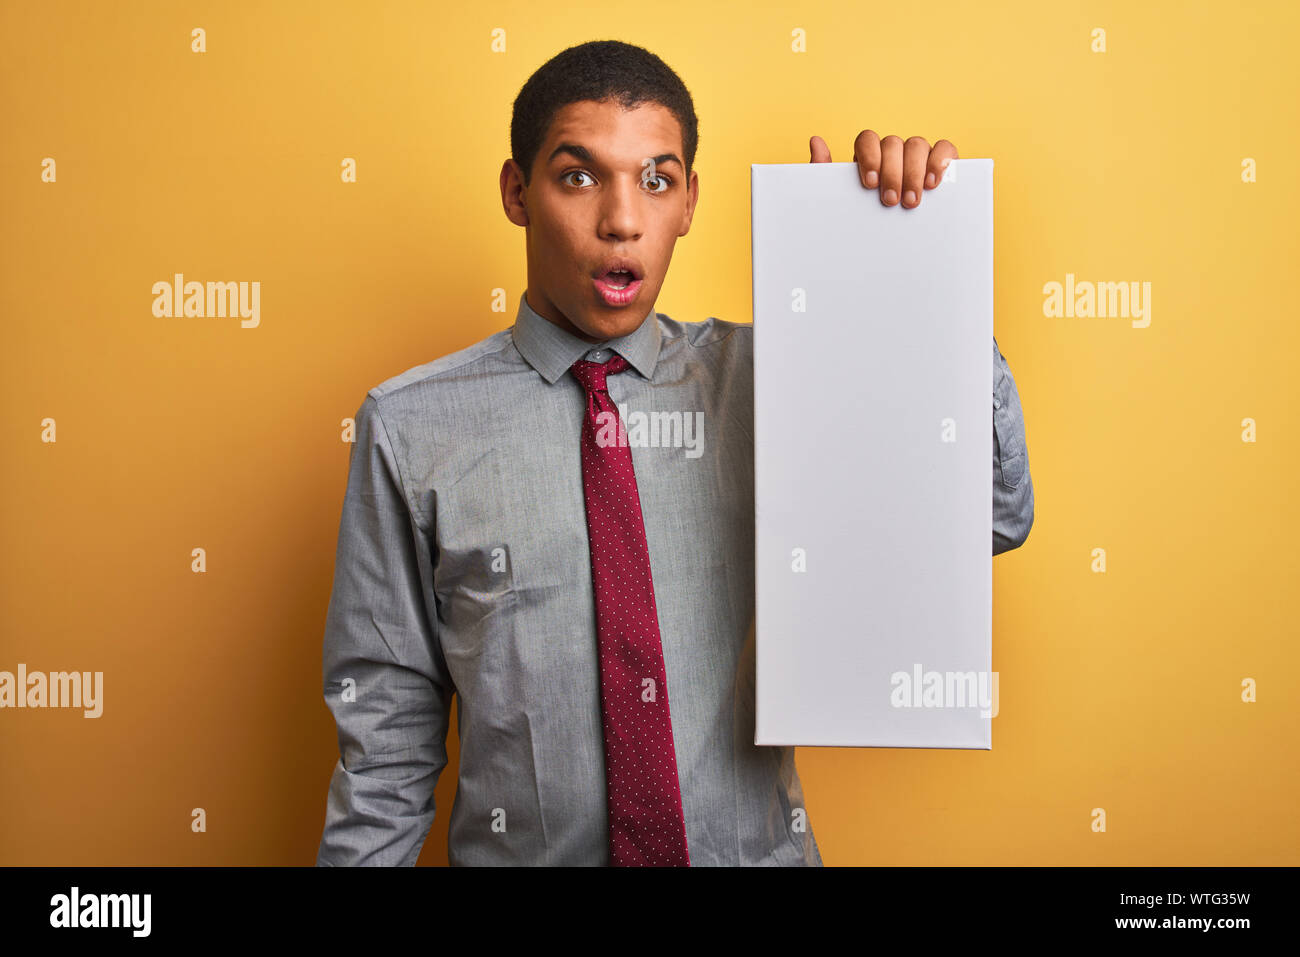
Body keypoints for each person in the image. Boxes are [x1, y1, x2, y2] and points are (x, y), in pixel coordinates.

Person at [315, 39, 1034, 866]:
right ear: (517, 191)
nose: (622, 220)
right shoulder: (409, 428)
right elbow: (387, 751)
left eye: (656, 180)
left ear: (689, 201)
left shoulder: (778, 378)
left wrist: (915, 274)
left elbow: (991, 518)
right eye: (579, 176)